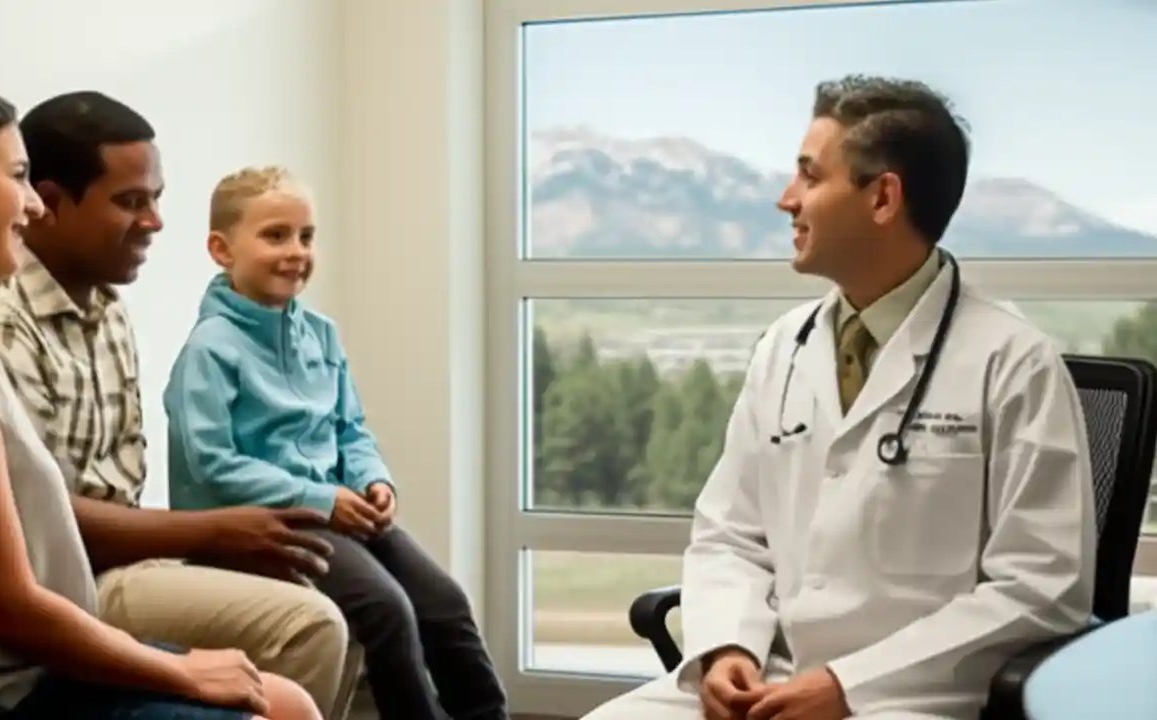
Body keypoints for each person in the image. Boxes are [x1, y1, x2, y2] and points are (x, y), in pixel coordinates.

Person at [584, 75, 1096, 720]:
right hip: (768, 677)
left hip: (910, 698)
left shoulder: (1012, 361)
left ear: (883, 197)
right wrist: (727, 649)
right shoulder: (785, 346)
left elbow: (1040, 589)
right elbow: (731, 534)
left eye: (809, 177)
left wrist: (848, 685)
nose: (785, 199)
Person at [0, 74, 319, 720]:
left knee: (290, 701)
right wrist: (180, 671)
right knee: (268, 705)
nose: (32, 205)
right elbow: (5, 603)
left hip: (17, 662)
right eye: (19, 177)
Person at [0, 92, 361, 720]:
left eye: (156, 198)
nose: (155, 221)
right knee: (310, 625)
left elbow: (120, 489)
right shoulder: (4, 322)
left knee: (342, 599)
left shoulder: (109, 312)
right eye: (131, 202)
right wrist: (212, 529)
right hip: (66, 582)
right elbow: (35, 522)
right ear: (45, 202)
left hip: (126, 559)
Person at [162, 166, 509, 720]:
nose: (296, 251)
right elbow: (212, 463)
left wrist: (374, 478)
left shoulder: (320, 333)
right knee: (386, 608)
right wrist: (320, 500)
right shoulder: (209, 349)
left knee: (444, 604)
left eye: (306, 236)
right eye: (275, 235)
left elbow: (350, 428)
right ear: (221, 249)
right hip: (261, 524)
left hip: (335, 509)